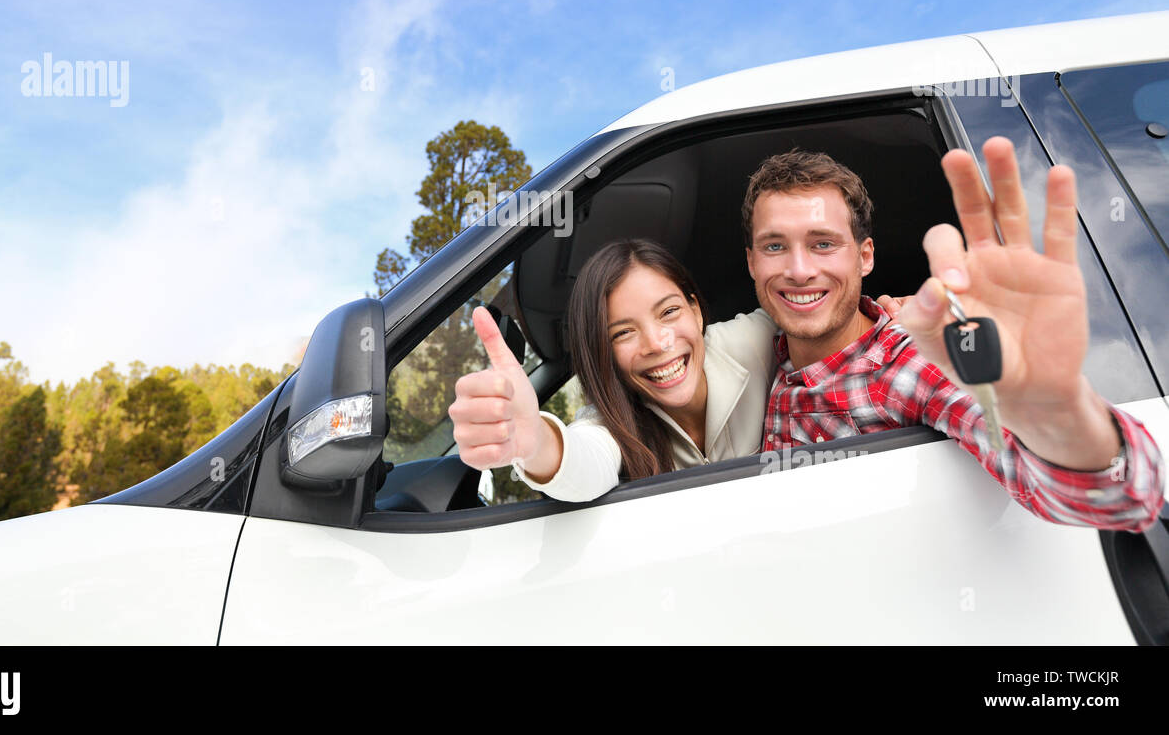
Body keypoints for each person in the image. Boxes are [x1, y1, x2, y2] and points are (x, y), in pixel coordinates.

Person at [746, 141, 1164, 531]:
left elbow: (1120, 501)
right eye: (775, 246)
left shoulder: (911, 363)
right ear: (751, 262)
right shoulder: (765, 355)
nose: (799, 270)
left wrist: (1059, 414)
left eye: (822, 244)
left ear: (865, 256)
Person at [450, 238, 906, 502]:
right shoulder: (610, 422)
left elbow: (832, 320)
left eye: (668, 312)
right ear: (603, 352)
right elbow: (583, 462)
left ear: (696, 310)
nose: (657, 343)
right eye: (623, 333)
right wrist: (534, 442)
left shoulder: (755, 338)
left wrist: (891, 314)